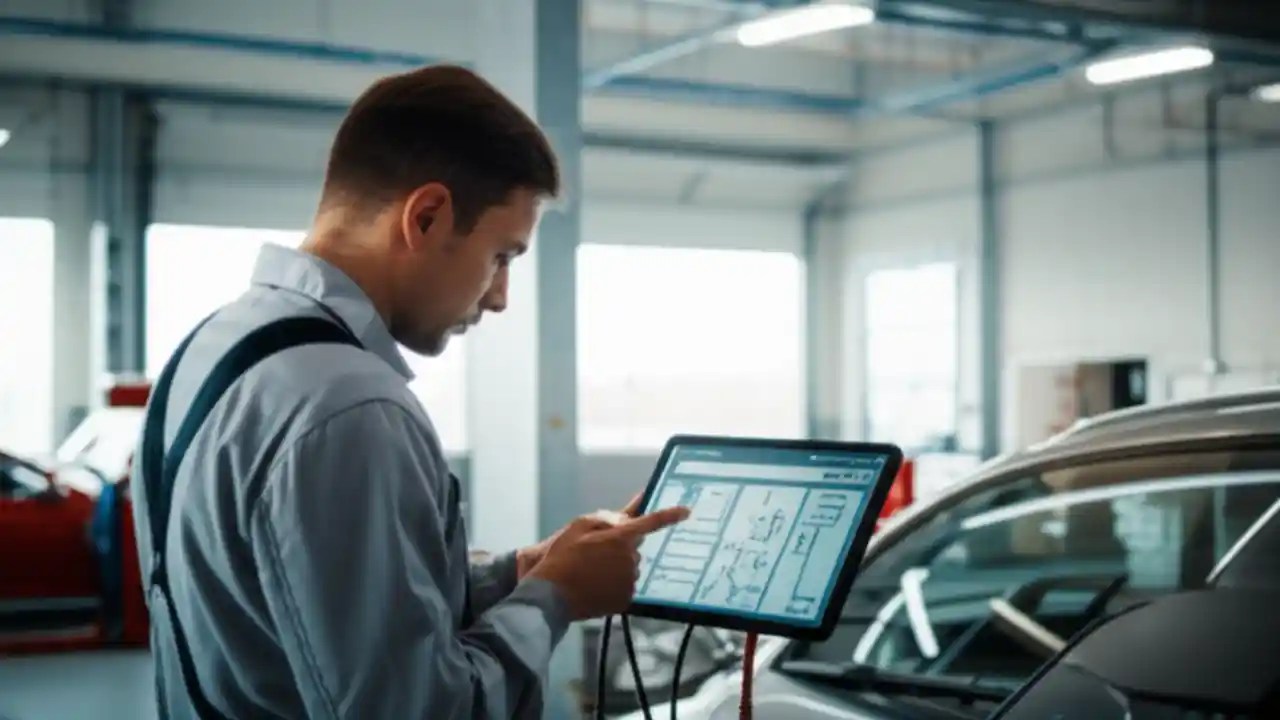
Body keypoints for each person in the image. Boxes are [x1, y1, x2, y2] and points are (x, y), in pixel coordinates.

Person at [132, 65, 690, 719]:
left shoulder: (210, 350)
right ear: (426, 217)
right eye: (502, 257)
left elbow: (307, 608)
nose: (501, 298)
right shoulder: (350, 407)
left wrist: (525, 571)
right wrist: (556, 598)